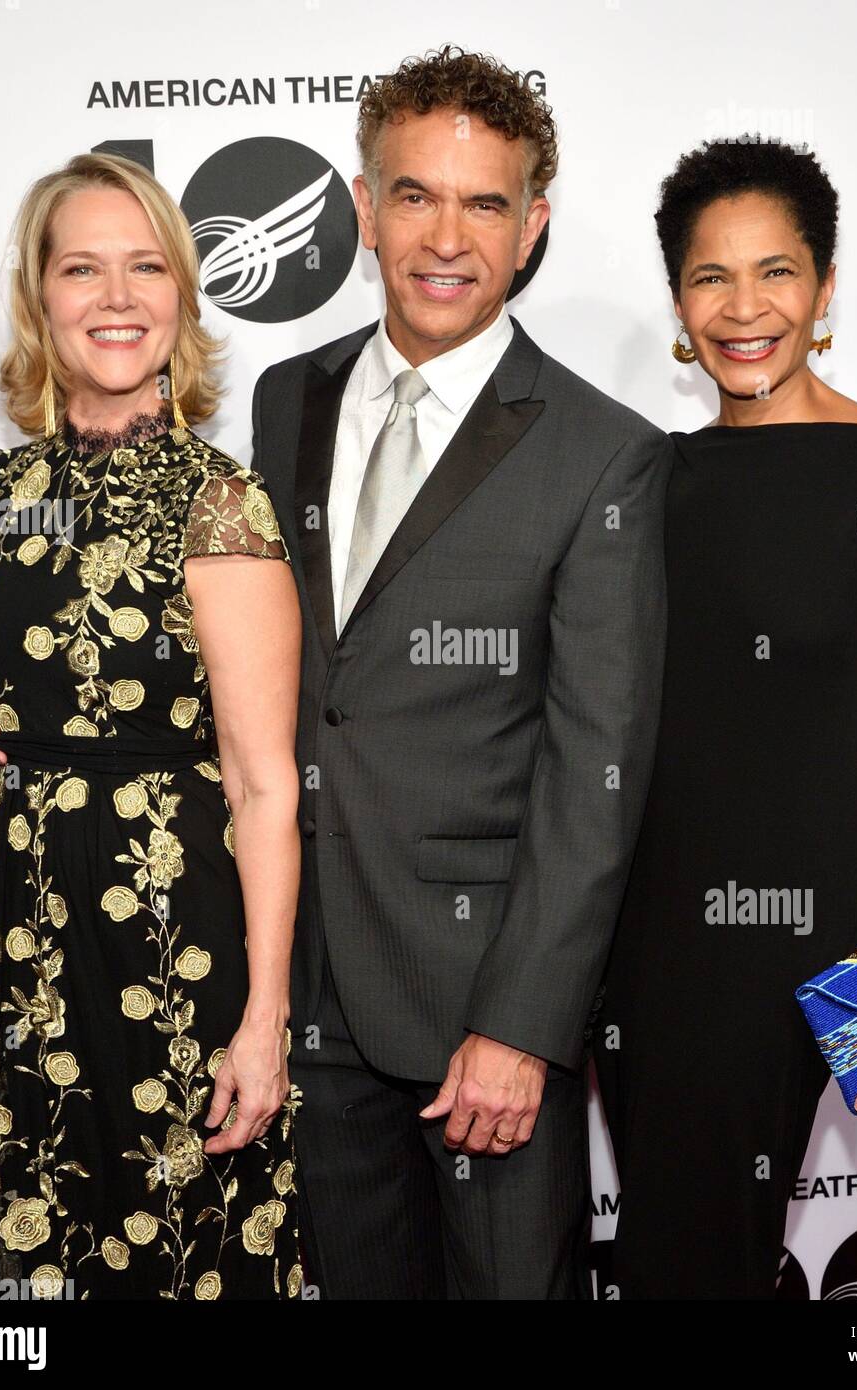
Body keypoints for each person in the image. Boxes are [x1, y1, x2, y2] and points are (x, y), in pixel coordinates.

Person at [250, 44, 671, 1299]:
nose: (447, 235)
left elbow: (594, 772)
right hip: (300, 983)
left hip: (475, 1005)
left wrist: (521, 1025)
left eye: (485, 202)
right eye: (416, 195)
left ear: (532, 224)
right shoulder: (288, 398)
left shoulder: (606, 456)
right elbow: (261, 660)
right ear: (365, 209)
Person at [594, 136, 857, 1299]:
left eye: (775, 272)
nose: (743, 307)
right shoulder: (642, 479)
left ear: (822, 288)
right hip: (643, 955)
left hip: (820, 951)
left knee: (706, 1245)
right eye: (711, 277)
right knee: (692, 1247)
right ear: (676, 300)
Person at [0, 152, 303, 1300]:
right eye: (83, 267)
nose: (117, 296)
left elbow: (263, 785)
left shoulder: (217, 498)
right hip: (16, 927)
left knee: (183, 1237)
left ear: (184, 296)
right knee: (26, 1241)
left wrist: (264, 1020)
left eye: (146, 267)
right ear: (40, 295)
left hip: (171, 930)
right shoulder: (0, 488)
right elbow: (21, 676)